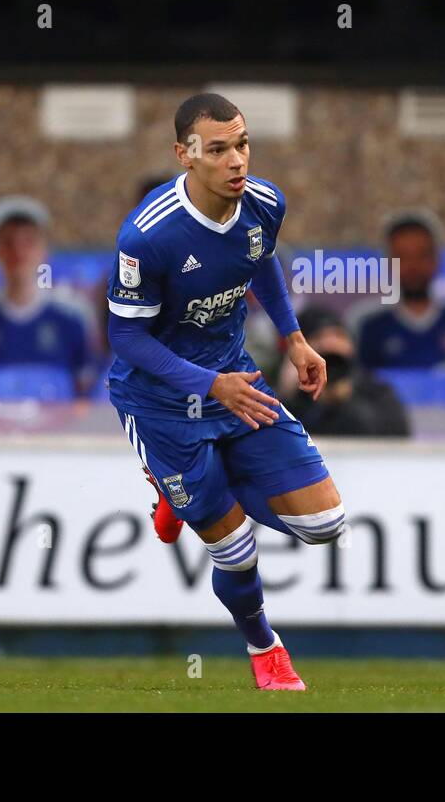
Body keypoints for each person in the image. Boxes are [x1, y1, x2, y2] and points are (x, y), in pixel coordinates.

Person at [106, 93, 342, 691]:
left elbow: (258, 259)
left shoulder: (264, 203)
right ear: (185, 155)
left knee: (327, 524)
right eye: (218, 150)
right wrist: (210, 384)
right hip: (162, 403)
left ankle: (194, 494)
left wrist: (294, 339)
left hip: (235, 381)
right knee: (235, 548)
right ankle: (266, 648)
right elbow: (126, 338)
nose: (236, 160)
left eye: (242, 144)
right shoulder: (147, 235)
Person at [0, 195, 96, 395]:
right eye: (8, 242)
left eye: (28, 241)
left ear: (44, 249)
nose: (18, 252)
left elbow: (84, 394)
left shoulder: (72, 317)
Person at [354, 209, 445, 398]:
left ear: (436, 260)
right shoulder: (370, 326)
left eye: (422, 255)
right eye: (402, 257)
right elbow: (361, 391)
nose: (413, 266)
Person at [279, 306, 411, 436]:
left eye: (338, 336)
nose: (330, 345)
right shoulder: (293, 399)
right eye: (319, 338)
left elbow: (397, 438)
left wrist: (347, 400)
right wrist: (293, 393)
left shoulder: (378, 393)